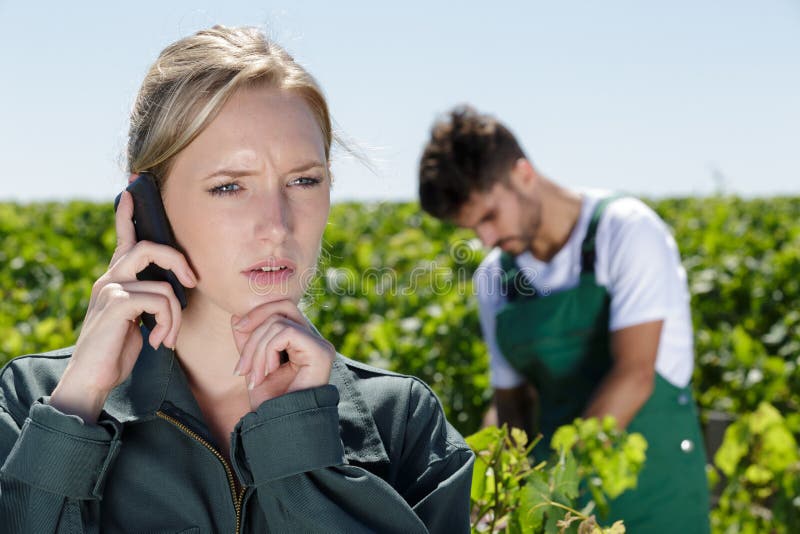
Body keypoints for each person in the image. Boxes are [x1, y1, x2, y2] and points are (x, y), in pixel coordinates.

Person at [0, 26, 473, 533]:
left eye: (303, 180)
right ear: (146, 203)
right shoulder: (32, 402)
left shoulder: (403, 421)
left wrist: (298, 445)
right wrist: (74, 416)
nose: (277, 226)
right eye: (229, 186)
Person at [417, 105, 709, 532]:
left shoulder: (624, 231)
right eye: (471, 228)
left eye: (489, 217)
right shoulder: (496, 279)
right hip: (560, 510)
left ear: (523, 174)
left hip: (656, 498)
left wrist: (551, 486)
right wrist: (494, 489)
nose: (486, 239)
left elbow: (634, 375)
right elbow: (511, 404)